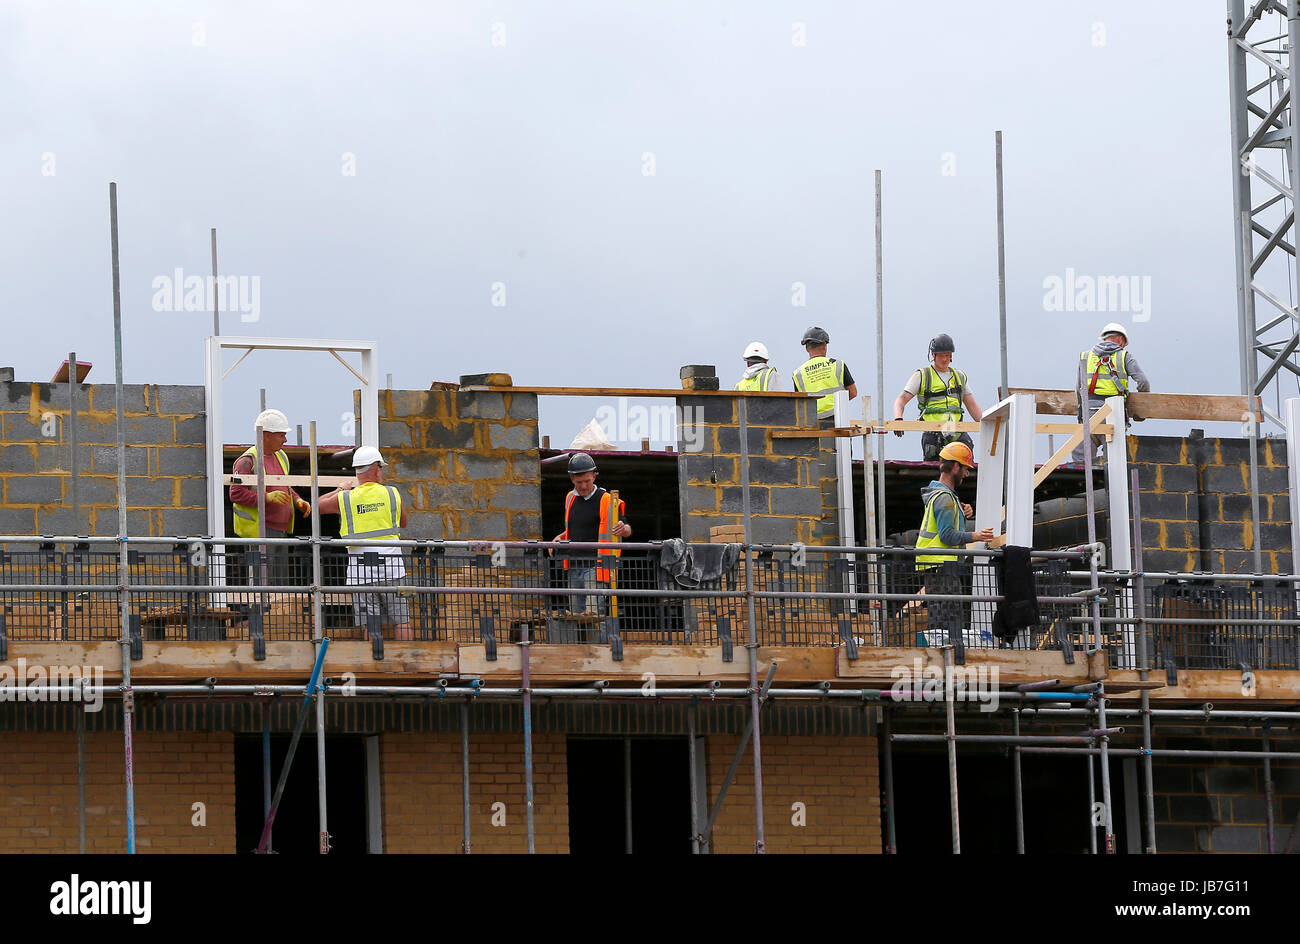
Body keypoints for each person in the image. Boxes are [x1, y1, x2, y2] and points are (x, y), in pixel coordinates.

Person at [317, 446, 412, 641]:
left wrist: (340, 489)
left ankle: (374, 659)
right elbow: (403, 523)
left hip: (361, 573)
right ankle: (406, 660)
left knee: (371, 623)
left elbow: (316, 505)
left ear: (357, 472)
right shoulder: (392, 493)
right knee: (402, 621)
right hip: (393, 570)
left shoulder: (346, 498)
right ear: (376, 469)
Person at [914, 442, 995, 651]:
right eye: (966, 468)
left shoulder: (942, 496)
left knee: (941, 616)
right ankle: (947, 656)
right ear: (956, 467)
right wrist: (976, 536)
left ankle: (942, 654)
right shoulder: (945, 498)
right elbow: (947, 535)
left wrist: (962, 508)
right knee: (947, 617)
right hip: (943, 565)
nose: (967, 473)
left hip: (937, 564)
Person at [228, 408, 310, 588]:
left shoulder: (281, 456)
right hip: (259, 531)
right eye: (281, 435)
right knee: (261, 583)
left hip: (280, 530)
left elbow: (284, 486)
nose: (285, 440)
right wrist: (267, 497)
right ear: (266, 435)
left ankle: (278, 607)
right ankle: (259, 607)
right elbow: (236, 493)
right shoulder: (247, 461)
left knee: (280, 585)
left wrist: (297, 500)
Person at [549, 453, 631, 616]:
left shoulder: (606, 499)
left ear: (594, 476)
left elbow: (627, 529)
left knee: (594, 615)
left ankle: (598, 635)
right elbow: (574, 529)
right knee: (576, 615)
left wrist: (623, 528)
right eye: (579, 482)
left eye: (587, 481)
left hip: (596, 566)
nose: (584, 486)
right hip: (574, 565)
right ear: (572, 479)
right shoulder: (570, 498)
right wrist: (560, 537)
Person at [892, 333, 984, 461]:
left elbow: (972, 406)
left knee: (965, 466)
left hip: (957, 433)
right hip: (933, 434)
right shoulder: (923, 375)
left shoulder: (959, 377)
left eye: (947, 355)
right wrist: (898, 418)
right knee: (934, 469)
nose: (945, 359)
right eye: (941, 355)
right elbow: (901, 400)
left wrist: (987, 425)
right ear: (933, 355)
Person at [1073, 322, 1151, 465]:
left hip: (1089, 413)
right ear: (1121, 339)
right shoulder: (1124, 356)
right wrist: (1142, 405)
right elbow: (1143, 381)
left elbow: (1078, 387)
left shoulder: (1086, 356)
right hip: (1114, 414)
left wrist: (1081, 413)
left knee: (1081, 462)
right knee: (1113, 462)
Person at [791, 326, 857, 424]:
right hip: (838, 420)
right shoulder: (837, 365)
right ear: (825, 345)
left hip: (812, 422)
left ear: (807, 348)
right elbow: (853, 392)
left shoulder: (798, 374)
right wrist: (838, 405)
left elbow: (800, 404)